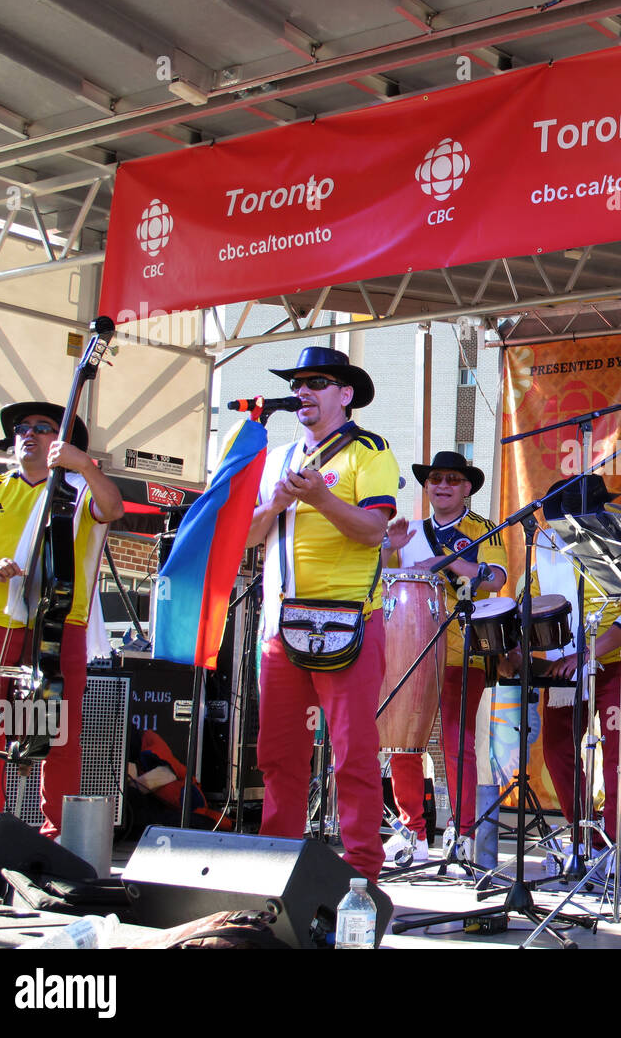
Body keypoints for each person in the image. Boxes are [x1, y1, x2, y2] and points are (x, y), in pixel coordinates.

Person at [246, 347, 398, 881]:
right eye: (298, 382)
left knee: (353, 755)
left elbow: (374, 531)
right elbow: (247, 536)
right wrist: (278, 504)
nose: (302, 391)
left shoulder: (369, 451)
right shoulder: (278, 458)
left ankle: (361, 876)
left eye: (316, 382)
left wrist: (320, 499)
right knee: (277, 756)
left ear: (345, 394)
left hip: (349, 621)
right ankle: (275, 867)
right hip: (281, 623)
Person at [0, 402, 123, 837]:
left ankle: (58, 838)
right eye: (21, 428)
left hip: (58, 627)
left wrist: (85, 466)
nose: (28, 434)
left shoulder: (79, 487)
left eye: (43, 427)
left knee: (58, 737)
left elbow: (112, 509)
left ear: (62, 441)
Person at [525, 476, 621, 856]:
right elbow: (532, 599)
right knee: (557, 747)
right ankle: (583, 835)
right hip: (565, 662)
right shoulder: (547, 548)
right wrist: (518, 642)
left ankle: (618, 842)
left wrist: (588, 653)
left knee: (616, 751)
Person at [387, 450, 507, 847]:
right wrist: (389, 548)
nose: (441, 486)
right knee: (404, 740)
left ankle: (463, 833)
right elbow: (388, 579)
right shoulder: (409, 530)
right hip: (413, 647)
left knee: (457, 741)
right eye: (435, 479)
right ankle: (413, 833)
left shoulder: (484, 529)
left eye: (452, 480)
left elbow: (497, 580)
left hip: (463, 646)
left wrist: (448, 561)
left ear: (467, 488)